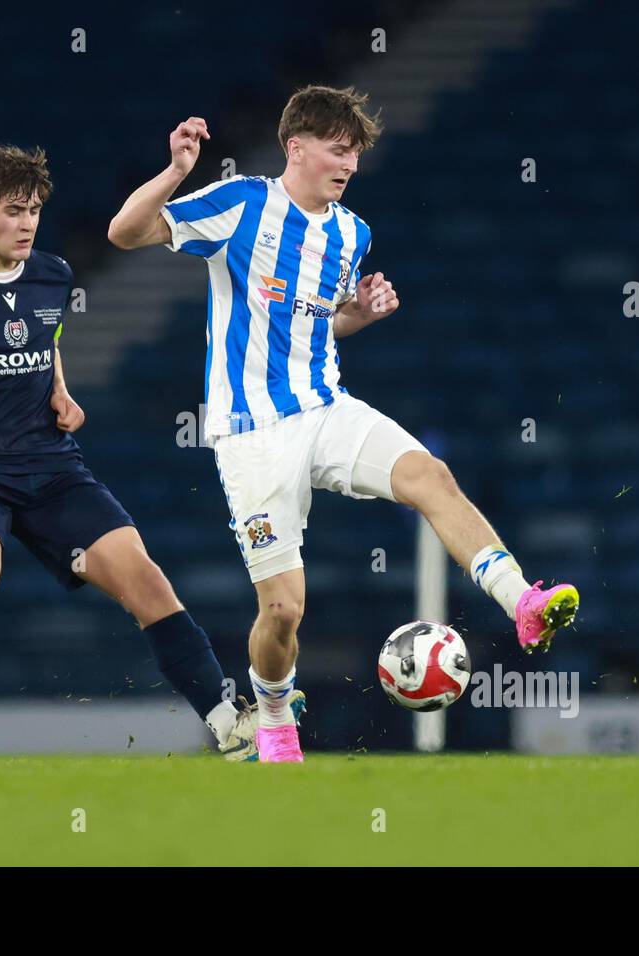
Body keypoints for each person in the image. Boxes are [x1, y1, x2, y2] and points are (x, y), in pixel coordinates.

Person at [107, 86, 580, 762]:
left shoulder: (350, 232)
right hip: (251, 432)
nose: (349, 164)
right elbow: (123, 234)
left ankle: (522, 602)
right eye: (338, 149)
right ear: (295, 146)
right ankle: (271, 714)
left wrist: (359, 313)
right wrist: (178, 173)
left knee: (430, 476)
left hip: (324, 407)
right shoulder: (242, 204)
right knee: (283, 611)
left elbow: (315, 326)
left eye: (355, 153)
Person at [0, 145, 300, 764]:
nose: (26, 224)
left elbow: (48, 341)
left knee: (147, 579)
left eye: (35, 211)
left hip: (51, 464)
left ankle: (228, 724)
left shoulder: (53, 274)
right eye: (14, 212)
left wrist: (60, 389)